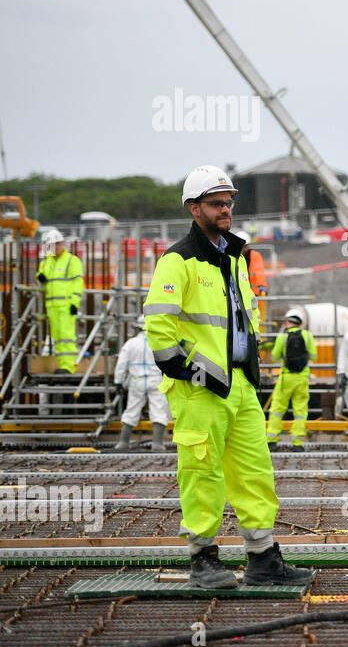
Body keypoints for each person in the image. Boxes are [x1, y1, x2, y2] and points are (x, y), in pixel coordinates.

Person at [145, 164, 314, 588]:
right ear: (193, 207)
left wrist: (251, 374)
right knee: (202, 472)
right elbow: (158, 325)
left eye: (229, 202)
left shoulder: (235, 257)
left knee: (255, 471)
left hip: (239, 383)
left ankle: (262, 557)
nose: (226, 210)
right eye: (216, 203)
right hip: (199, 386)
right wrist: (186, 371)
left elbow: (246, 318)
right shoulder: (178, 259)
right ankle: (203, 559)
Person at [113, 315, 170, 452]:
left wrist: (118, 382)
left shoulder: (131, 343)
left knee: (132, 409)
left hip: (137, 380)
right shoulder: (160, 341)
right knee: (159, 410)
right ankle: (157, 444)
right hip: (156, 379)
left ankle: (123, 442)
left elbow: (121, 364)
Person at [37, 228, 84, 373]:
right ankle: (62, 364)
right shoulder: (46, 262)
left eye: (57, 244)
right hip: (51, 306)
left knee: (67, 336)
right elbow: (41, 276)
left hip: (66, 305)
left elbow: (78, 283)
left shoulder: (72, 260)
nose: (55, 247)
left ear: (63, 243)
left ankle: (68, 366)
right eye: (52, 244)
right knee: (57, 337)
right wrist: (40, 276)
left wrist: (75, 303)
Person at [267, 307, 315, 447]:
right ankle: (297, 442)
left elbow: (275, 358)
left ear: (288, 321)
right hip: (301, 379)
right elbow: (314, 356)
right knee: (300, 411)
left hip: (286, 378)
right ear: (300, 323)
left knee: (277, 409)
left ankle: (272, 440)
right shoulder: (308, 336)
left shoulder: (282, 337)